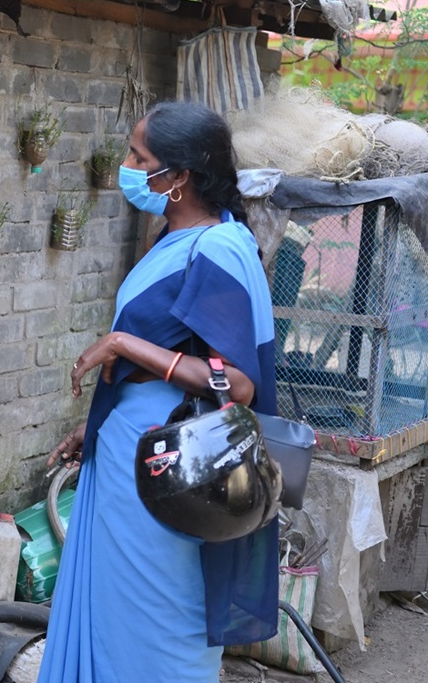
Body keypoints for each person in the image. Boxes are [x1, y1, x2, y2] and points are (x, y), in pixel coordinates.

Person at [38, 101, 279, 683]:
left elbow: (236, 382)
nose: (127, 166)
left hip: (167, 469)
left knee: (154, 618)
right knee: (116, 613)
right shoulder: (183, 238)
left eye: (138, 158)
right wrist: (91, 430)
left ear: (178, 177)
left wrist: (124, 344)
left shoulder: (215, 249)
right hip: (129, 451)